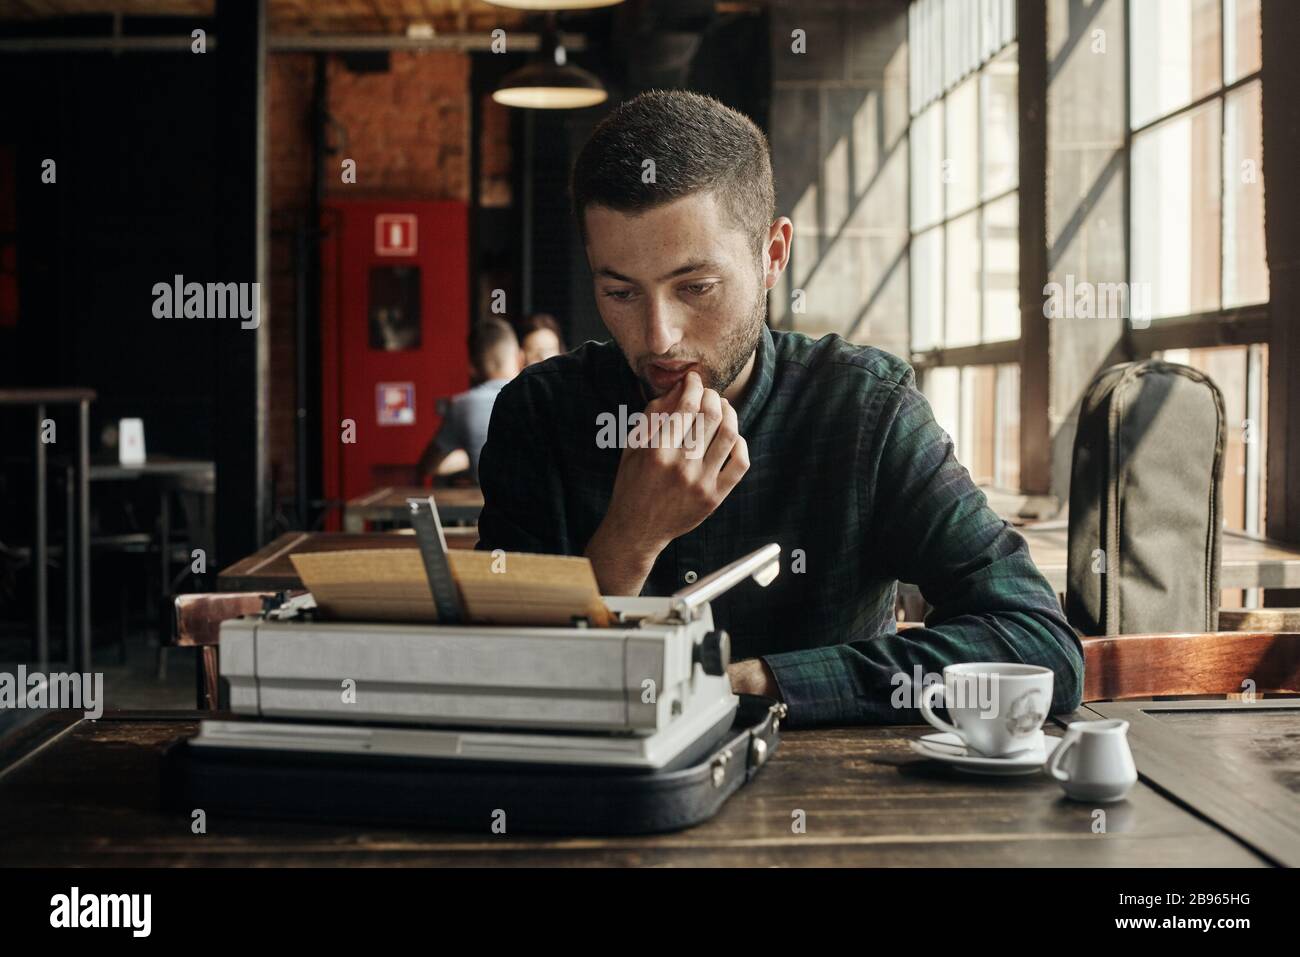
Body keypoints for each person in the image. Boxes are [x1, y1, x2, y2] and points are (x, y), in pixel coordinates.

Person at [475, 90, 1083, 727]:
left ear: (771, 255)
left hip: (843, 805)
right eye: (621, 291)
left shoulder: (863, 410)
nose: (658, 336)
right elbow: (502, 676)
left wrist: (765, 680)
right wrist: (630, 540)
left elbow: (1040, 646)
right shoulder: (539, 415)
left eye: (696, 288)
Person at [418, 317, 521, 484]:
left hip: (485, 507)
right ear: (520, 358)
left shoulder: (462, 406)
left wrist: (467, 457)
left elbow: (427, 467)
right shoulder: (537, 399)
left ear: (472, 367)